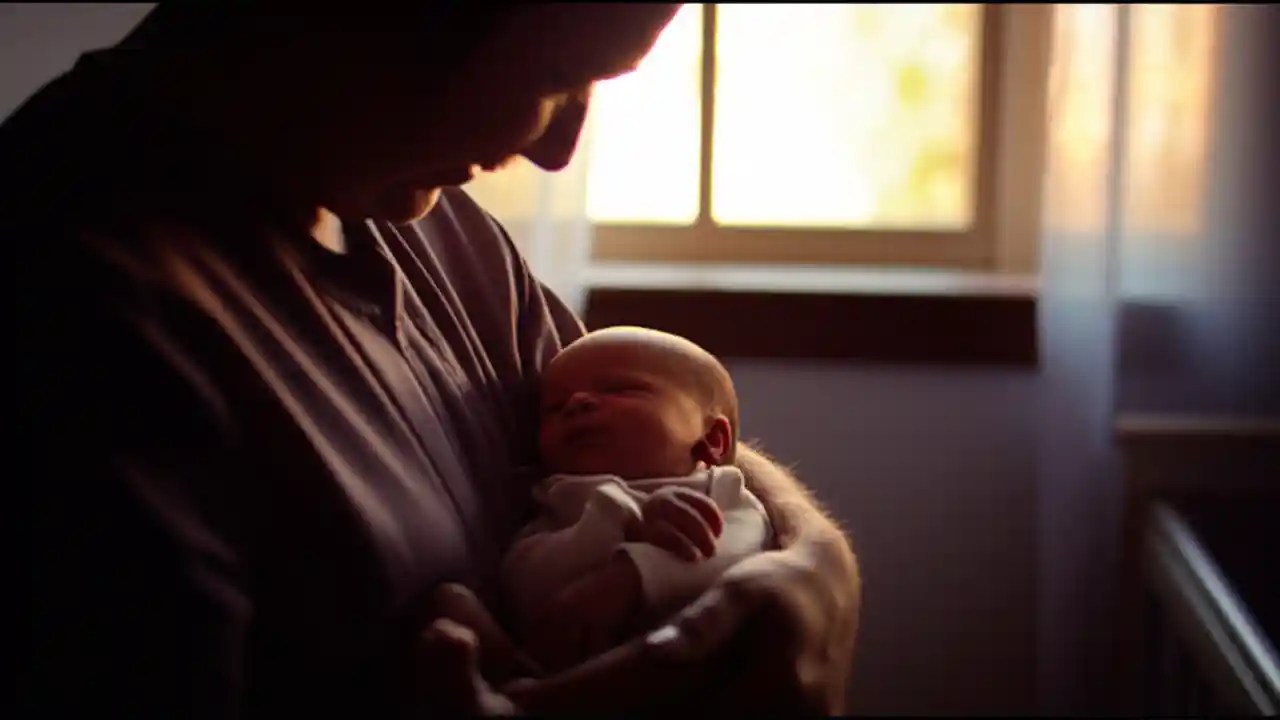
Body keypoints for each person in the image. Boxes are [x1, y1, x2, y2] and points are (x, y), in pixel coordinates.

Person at [9, 3, 861, 717]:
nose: (558, 147)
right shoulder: (76, 310)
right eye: (560, 75)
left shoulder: (423, 213)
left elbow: (653, 419)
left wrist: (814, 563)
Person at [432, 326, 774, 693]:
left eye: (621, 389)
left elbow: (743, 557)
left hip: (685, 669)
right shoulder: (559, 499)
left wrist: (629, 575)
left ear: (711, 440)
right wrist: (612, 523)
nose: (578, 401)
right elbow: (525, 580)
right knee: (451, 603)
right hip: (558, 666)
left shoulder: (719, 492)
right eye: (555, 408)